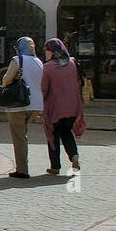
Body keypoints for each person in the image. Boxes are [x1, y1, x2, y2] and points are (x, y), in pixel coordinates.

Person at [0, 37, 45, 179]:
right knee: (23, 135)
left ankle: (22, 169)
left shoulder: (18, 60)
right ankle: (22, 166)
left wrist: (4, 85)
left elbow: (7, 79)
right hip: (35, 103)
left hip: (18, 103)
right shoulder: (38, 62)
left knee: (18, 137)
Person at [40, 38, 85, 175]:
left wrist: (39, 106)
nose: (46, 53)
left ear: (51, 51)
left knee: (52, 136)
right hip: (72, 107)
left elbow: (44, 89)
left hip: (55, 108)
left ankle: (55, 166)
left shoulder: (47, 68)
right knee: (66, 132)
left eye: (47, 50)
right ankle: (74, 155)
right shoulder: (72, 63)